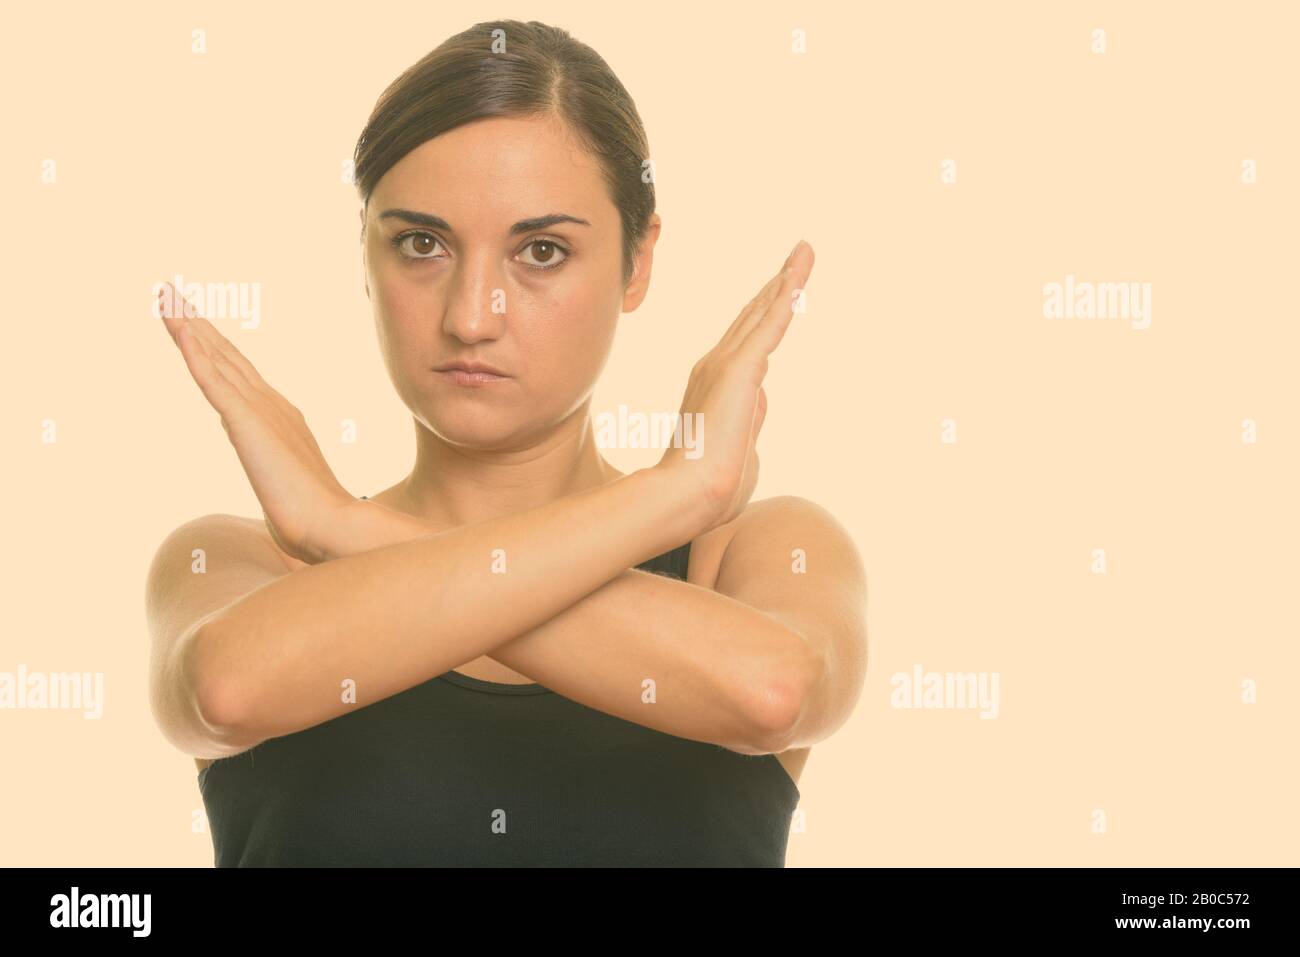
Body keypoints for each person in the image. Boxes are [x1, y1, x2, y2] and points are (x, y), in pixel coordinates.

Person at [144, 18, 867, 867]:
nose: (470, 315)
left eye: (541, 251)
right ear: (365, 256)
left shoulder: (748, 552)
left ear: (638, 263)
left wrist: (346, 530)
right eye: (422, 244)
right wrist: (672, 491)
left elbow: (775, 692)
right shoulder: (243, 562)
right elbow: (226, 689)